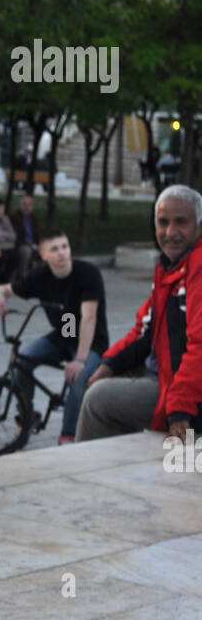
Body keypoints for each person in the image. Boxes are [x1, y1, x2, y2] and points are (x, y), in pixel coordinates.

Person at [76, 185, 202, 444]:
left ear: (199, 224)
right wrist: (109, 364)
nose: (170, 232)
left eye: (181, 222)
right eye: (163, 223)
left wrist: (179, 407)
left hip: (187, 393)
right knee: (90, 379)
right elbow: (145, 330)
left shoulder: (196, 268)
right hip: (169, 378)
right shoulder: (170, 267)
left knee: (97, 400)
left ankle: (90, 479)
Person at [0, 226, 108, 443]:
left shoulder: (88, 273)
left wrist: (80, 360)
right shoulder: (40, 275)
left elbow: (89, 318)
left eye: (65, 246)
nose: (62, 253)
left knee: (79, 377)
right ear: (43, 254)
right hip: (64, 332)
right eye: (54, 249)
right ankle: (27, 416)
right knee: (21, 361)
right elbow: (7, 289)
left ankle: (69, 434)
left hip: (91, 340)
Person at [10, 193, 41, 273]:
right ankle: (23, 277)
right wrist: (30, 245)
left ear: (32, 207)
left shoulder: (34, 218)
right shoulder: (14, 217)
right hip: (21, 245)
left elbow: (37, 234)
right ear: (20, 205)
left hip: (33, 244)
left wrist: (40, 244)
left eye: (29, 205)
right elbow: (16, 236)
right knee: (26, 251)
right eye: (24, 204)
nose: (26, 207)